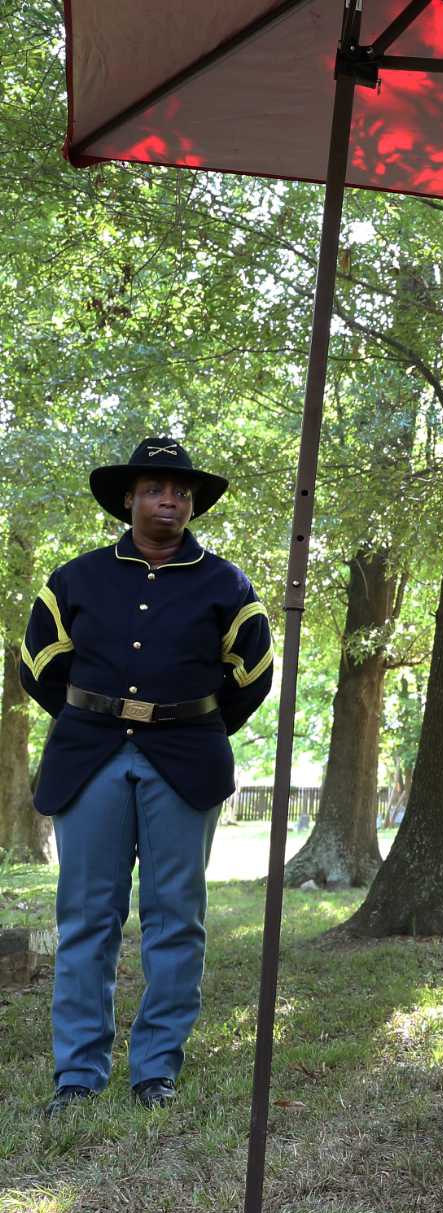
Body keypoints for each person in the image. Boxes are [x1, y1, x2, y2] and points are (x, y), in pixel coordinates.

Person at [20, 439, 274, 1116]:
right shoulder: (76, 578)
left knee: (175, 919)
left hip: (185, 760)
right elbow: (37, 661)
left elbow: (251, 672)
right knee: (85, 919)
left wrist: (190, 721)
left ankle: (155, 1068)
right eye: (157, 488)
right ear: (128, 497)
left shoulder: (228, 584)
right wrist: (98, 713)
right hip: (91, 755)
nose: (171, 501)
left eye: (182, 492)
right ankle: (77, 1074)